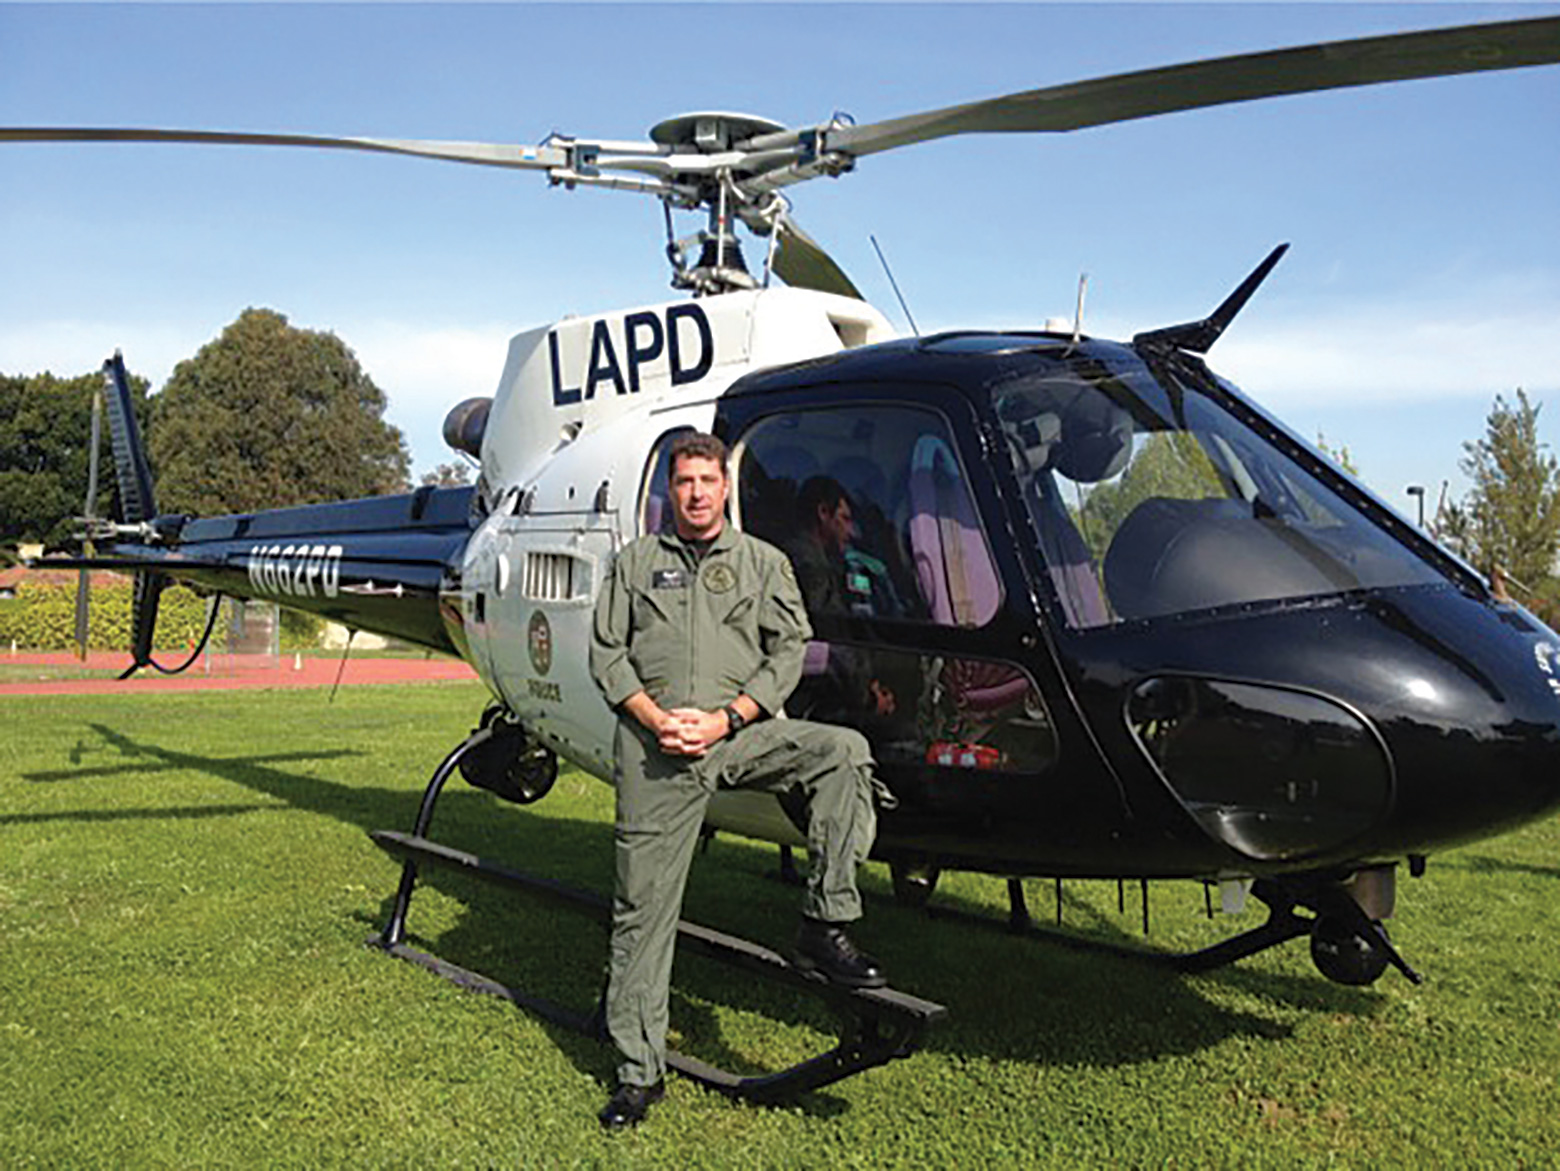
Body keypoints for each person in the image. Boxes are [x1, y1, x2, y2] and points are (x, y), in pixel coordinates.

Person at [588, 432, 886, 1130]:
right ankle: (637, 1073)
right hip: (656, 746)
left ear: (726, 487)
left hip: (738, 733)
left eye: (707, 479)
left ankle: (826, 919)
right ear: (670, 488)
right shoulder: (635, 564)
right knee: (642, 911)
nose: (695, 492)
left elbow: (789, 649)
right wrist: (657, 718)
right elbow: (606, 653)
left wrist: (729, 716)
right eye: (683, 480)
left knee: (843, 752)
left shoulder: (764, 563)